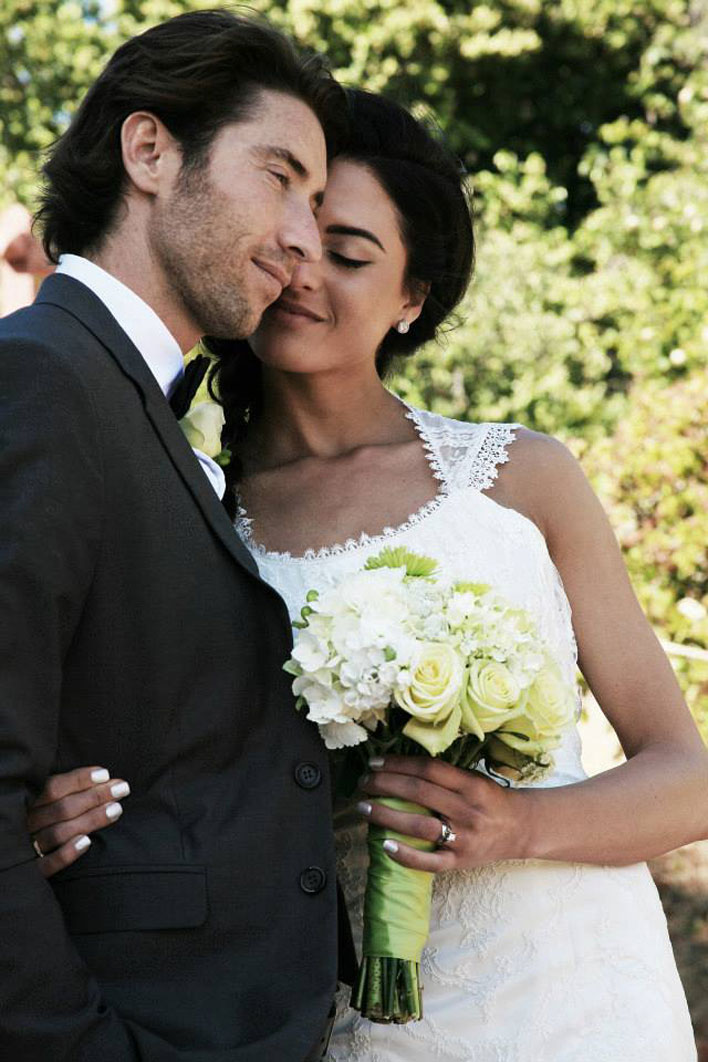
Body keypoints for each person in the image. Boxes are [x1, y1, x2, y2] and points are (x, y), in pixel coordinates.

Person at [30, 88, 707, 1060]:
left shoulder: (520, 477)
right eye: (291, 237)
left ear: (411, 298)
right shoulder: (194, 516)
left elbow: (687, 778)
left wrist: (514, 824)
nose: (303, 270)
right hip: (353, 1017)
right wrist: (53, 817)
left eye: (348, 254)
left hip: (576, 996)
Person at [0, 10, 350, 1060]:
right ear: (150, 152)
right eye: (279, 177)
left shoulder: (143, 403)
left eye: (317, 205)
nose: (305, 240)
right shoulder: (39, 378)